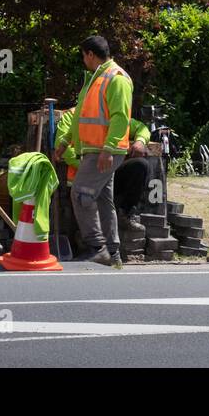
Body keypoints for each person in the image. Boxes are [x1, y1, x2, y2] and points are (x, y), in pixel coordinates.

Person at [52, 35, 132, 267]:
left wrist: (108, 148)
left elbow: (120, 116)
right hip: (96, 150)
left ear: (89, 54)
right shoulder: (95, 80)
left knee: (80, 194)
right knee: (104, 199)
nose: (83, 60)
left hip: (104, 150)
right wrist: (66, 140)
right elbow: (80, 116)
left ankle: (97, 247)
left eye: (83, 56)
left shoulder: (116, 78)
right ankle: (112, 253)